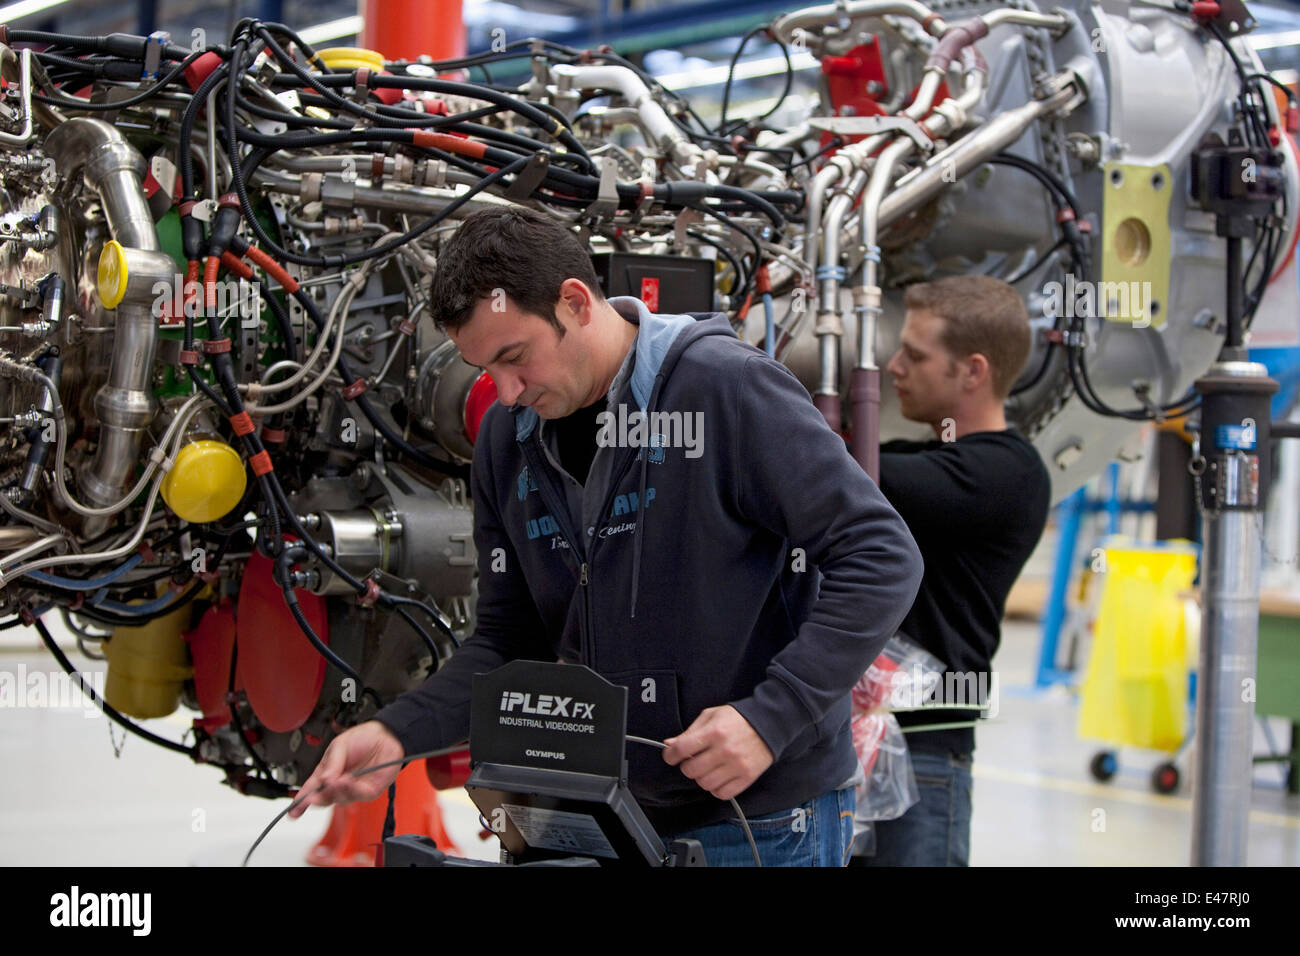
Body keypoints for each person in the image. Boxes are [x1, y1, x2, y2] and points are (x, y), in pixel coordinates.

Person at [290, 205, 924, 867]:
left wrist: (772, 715)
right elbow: (509, 642)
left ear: (573, 302)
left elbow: (880, 555)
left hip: (756, 821)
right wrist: (397, 733)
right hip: (598, 815)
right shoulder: (508, 444)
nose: (505, 394)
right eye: (486, 371)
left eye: (514, 358)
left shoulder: (723, 390)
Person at [852, 275, 1051, 867]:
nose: (893, 367)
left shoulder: (1005, 474)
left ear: (974, 371)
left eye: (915, 355)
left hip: (925, 757)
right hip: (858, 750)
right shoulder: (926, 458)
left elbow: (842, 467)